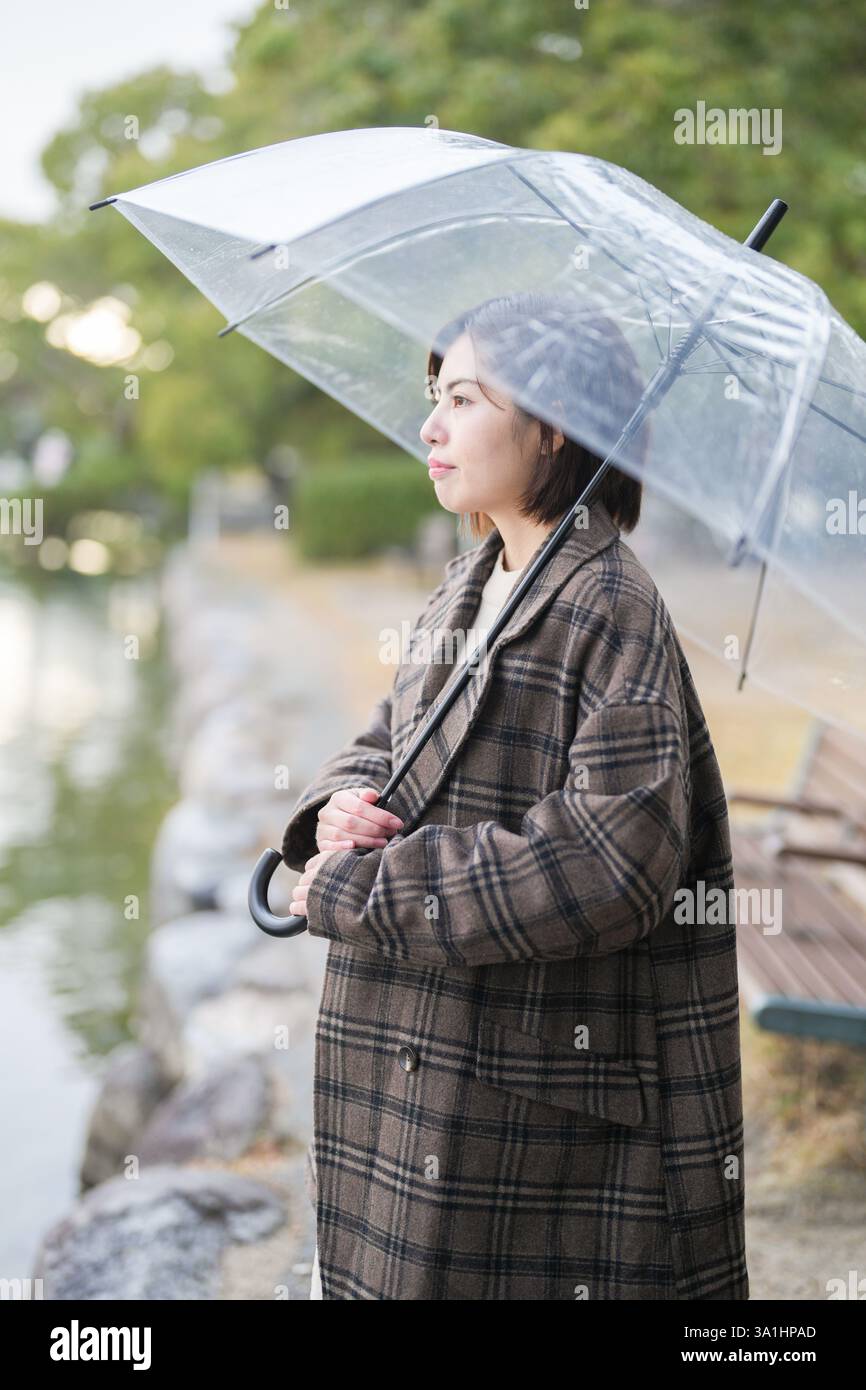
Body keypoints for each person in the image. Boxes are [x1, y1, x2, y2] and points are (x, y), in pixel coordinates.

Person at [284, 291, 749, 1301]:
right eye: (432, 394)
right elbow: (385, 739)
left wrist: (363, 887)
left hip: (521, 1103)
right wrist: (332, 810)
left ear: (550, 427)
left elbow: (604, 865)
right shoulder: (467, 582)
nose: (429, 425)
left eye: (462, 397)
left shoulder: (609, 605)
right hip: (410, 1059)